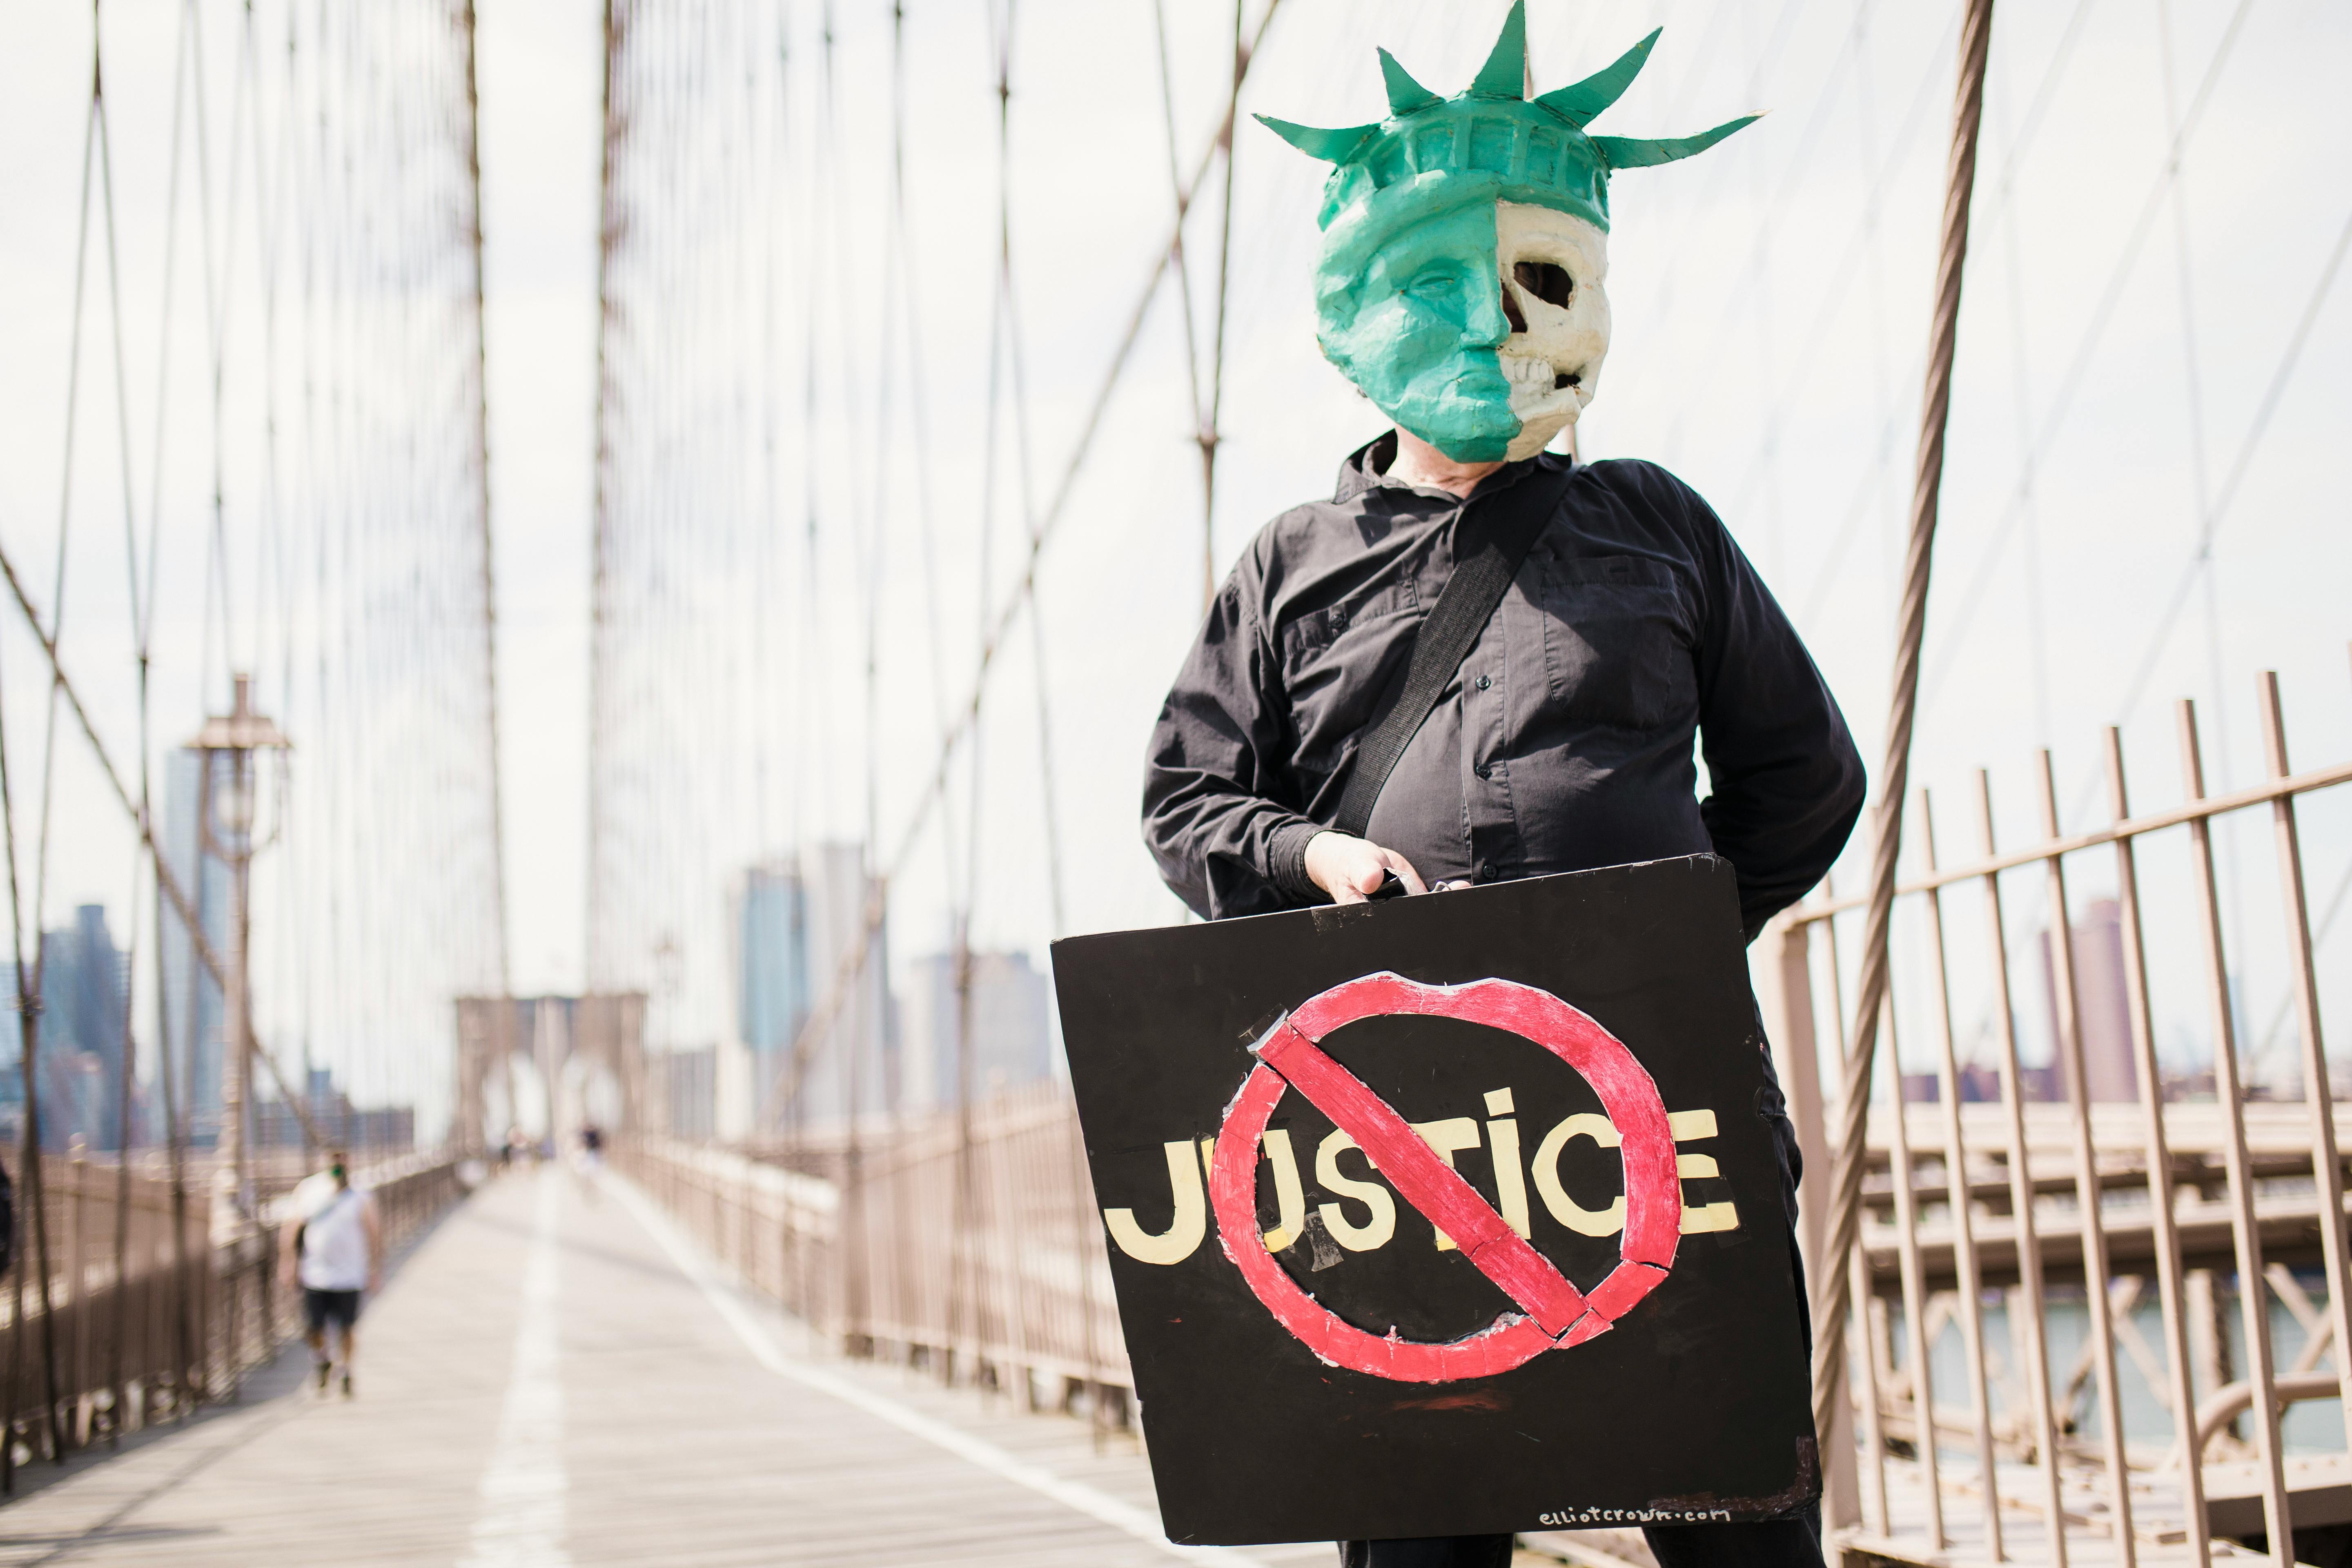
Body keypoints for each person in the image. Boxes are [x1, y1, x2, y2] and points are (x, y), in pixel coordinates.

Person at [1143, 10, 1864, 1566]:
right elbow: (1187, 804)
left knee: (1731, 1512)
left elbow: (1802, 775)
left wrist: (1653, 942)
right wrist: (1314, 859)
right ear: (1352, 313)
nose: (1488, 323)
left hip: (1654, 1114)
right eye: (1432, 286)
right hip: (1403, 1142)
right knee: (1423, 1532)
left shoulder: (1655, 523)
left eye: (1536, 281)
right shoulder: (1287, 564)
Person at [277, 1149, 382, 1399]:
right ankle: (322, 1359)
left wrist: (374, 1269)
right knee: (313, 1327)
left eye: (342, 1159)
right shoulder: (309, 1190)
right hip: (315, 1273)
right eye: (334, 1159)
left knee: (348, 1328)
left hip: (350, 1275)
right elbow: (291, 1228)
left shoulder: (361, 1194)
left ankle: (345, 1370)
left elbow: (374, 1233)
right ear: (325, 1162)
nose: (338, 1165)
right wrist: (288, 1262)